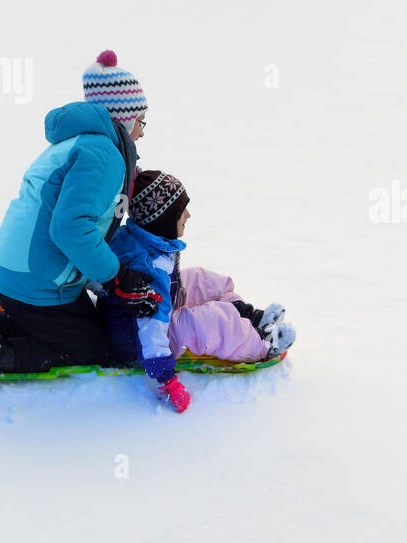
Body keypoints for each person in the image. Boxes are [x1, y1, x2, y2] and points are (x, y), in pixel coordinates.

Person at [0, 96, 158, 392]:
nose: (142, 133)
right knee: (95, 349)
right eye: (141, 122)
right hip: (37, 283)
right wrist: (119, 277)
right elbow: (71, 229)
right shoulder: (104, 154)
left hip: (13, 272)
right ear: (126, 118)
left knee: (73, 327)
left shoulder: (81, 142)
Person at [98, 170, 295, 413]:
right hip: (137, 340)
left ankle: (250, 318)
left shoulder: (142, 237)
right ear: (162, 220)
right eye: (181, 213)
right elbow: (151, 332)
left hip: (143, 315)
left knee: (202, 280)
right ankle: (261, 345)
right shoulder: (150, 269)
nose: (188, 215)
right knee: (203, 321)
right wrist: (168, 382)